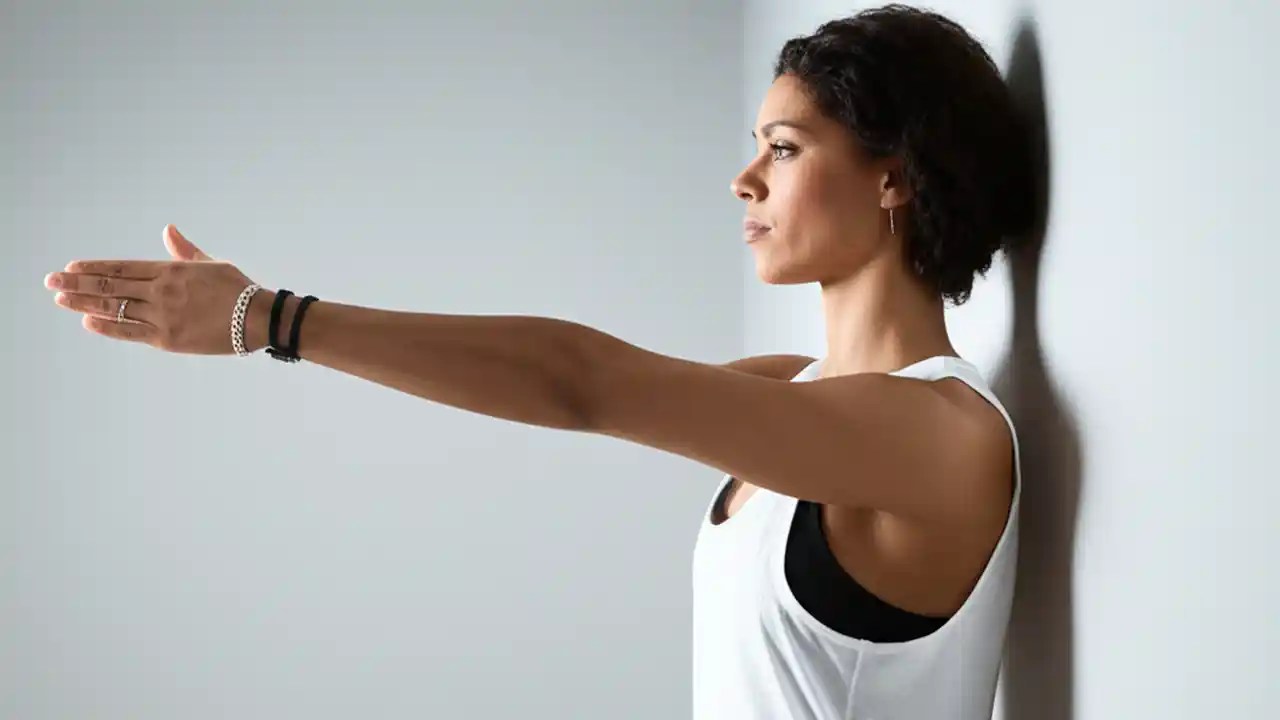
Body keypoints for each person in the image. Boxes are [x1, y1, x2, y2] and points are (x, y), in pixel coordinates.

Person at [42, 4, 1033, 718]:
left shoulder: (939, 437)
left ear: (891, 177)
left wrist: (269, 319)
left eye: (780, 147)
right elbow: (559, 383)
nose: (741, 180)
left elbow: (580, 381)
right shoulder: (786, 389)